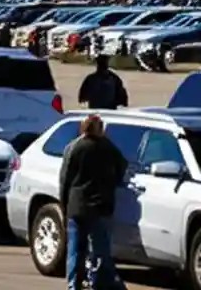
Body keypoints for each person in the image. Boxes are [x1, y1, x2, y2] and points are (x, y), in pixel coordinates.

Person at [59, 114, 127, 290]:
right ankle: (97, 281)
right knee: (99, 249)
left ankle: (74, 284)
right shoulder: (107, 147)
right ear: (99, 129)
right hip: (99, 206)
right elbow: (122, 165)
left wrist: (64, 203)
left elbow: (65, 179)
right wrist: (113, 181)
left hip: (76, 206)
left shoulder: (73, 148)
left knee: (75, 249)